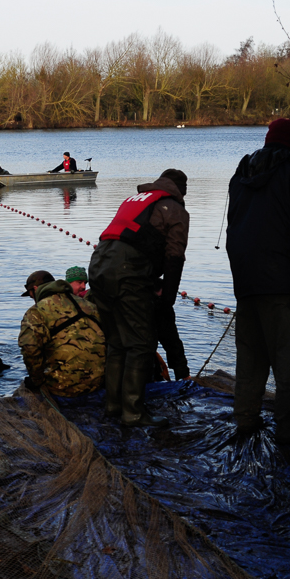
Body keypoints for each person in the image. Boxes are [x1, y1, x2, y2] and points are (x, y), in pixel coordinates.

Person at [226, 117, 290, 444]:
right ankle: (289, 428)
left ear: (268, 139)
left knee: (250, 355)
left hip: (245, 277)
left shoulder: (242, 171)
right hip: (283, 280)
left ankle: (246, 420)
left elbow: (236, 220)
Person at [89, 169, 190, 426]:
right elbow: (174, 256)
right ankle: (133, 413)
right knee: (140, 343)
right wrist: (167, 299)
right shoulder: (175, 209)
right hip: (126, 271)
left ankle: (113, 406)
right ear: (181, 189)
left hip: (98, 266)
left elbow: (133, 239)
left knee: (117, 342)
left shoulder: (136, 199)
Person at [18, 271, 105, 397]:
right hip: (98, 382)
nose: (33, 299)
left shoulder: (36, 312)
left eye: (31, 296)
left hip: (63, 388)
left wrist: (36, 380)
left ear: (35, 289)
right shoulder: (88, 305)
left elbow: (29, 348)